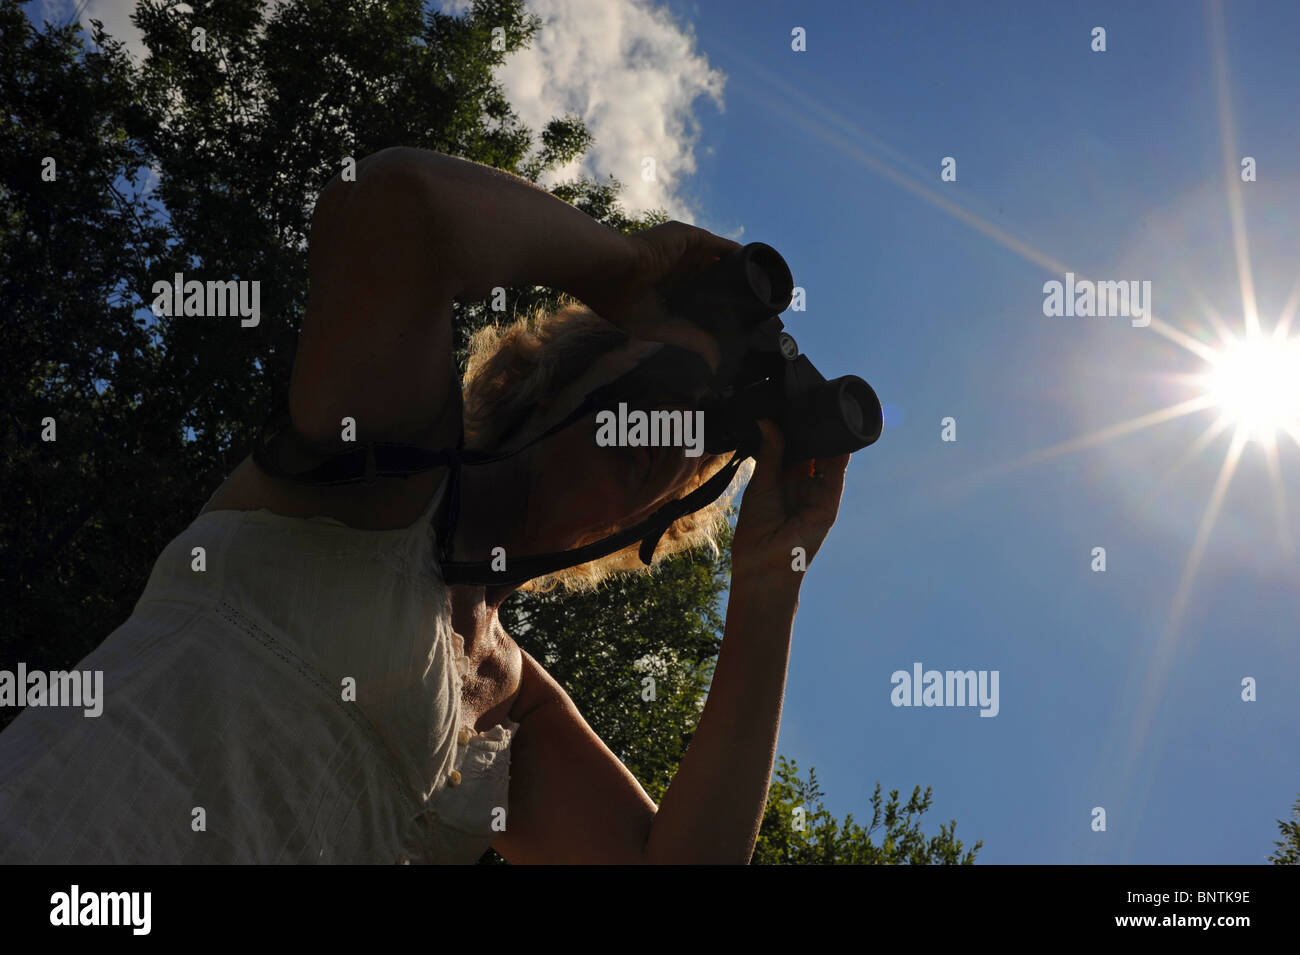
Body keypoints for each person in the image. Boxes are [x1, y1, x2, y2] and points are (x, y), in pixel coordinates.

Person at [0, 147, 849, 864]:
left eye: (700, 435)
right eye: (665, 387)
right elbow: (391, 214)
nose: (667, 431)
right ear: (549, 381)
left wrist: (771, 583)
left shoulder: (512, 692)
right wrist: (623, 272)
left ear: (667, 514)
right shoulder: (388, 471)